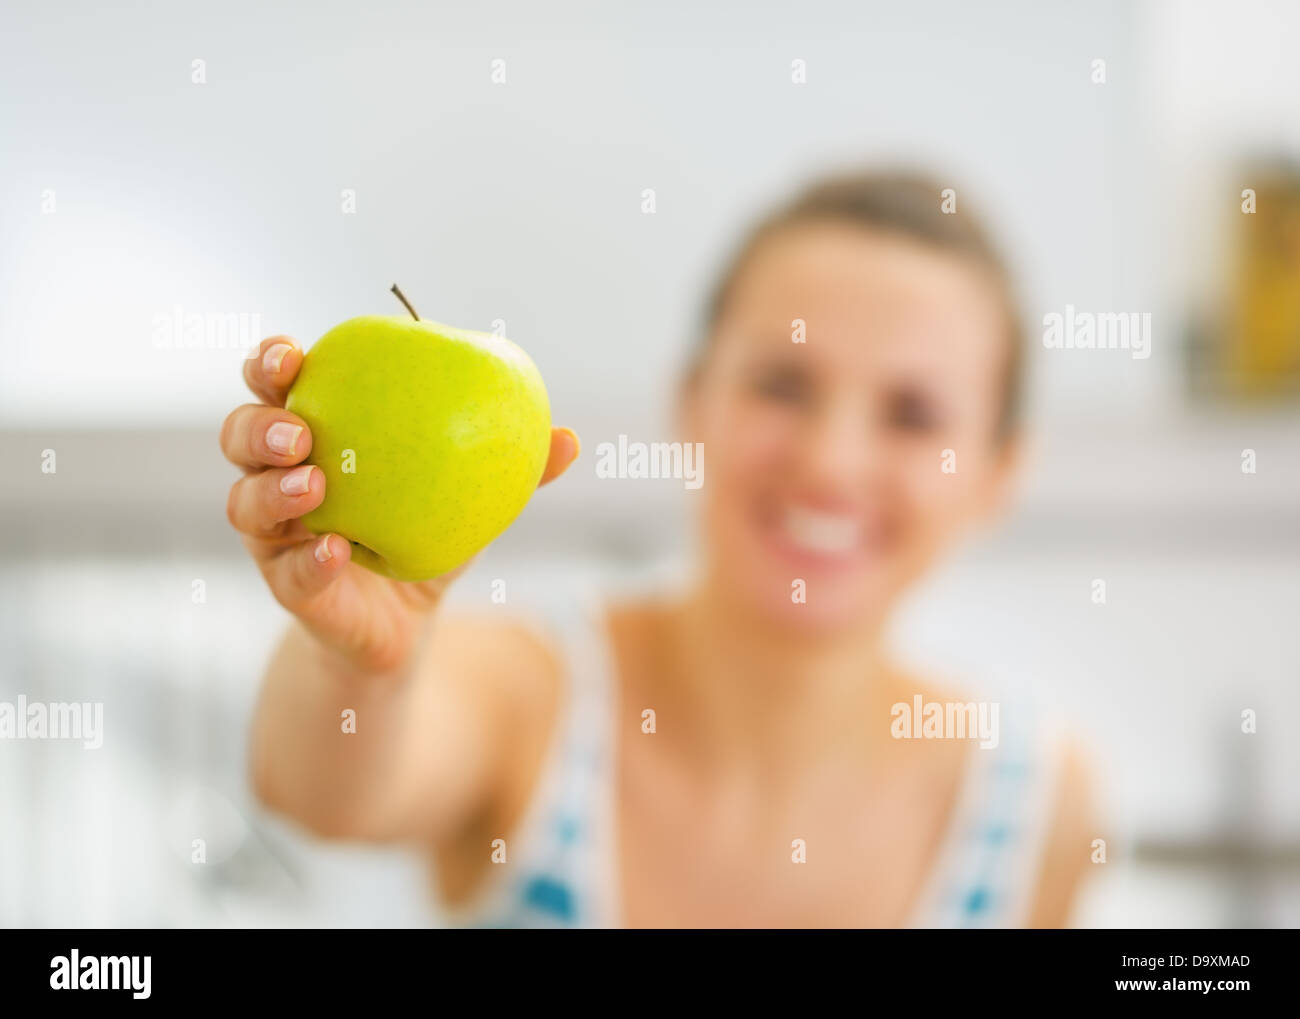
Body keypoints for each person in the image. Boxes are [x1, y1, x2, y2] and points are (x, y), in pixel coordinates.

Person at [221, 169, 1098, 927]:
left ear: (999, 470)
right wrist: (357, 663)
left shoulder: (1034, 803)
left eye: (913, 414)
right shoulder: (534, 696)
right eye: (782, 384)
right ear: (692, 401)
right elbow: (314, 792)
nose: (832, 460)